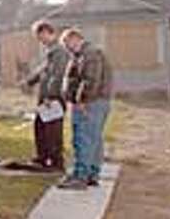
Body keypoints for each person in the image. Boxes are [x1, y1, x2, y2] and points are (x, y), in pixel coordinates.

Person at [58, 27, 112, 190]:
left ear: (75, 38)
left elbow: (90, 79)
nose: (67, 48)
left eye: (67, 43)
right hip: (96, 101)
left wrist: (81, 99)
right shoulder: (85, 54)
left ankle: (80, 177)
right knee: (93, 139)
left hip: (89, 103)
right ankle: (91, 174)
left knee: (83, 139)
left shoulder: (89, 54)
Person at [24, 21, 68, 171]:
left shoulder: (59, 52)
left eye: (41, 36)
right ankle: (42, 158)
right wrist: (29, 82)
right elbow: (43, 71)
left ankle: (57, 162)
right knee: (40, 127)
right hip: (46, 98)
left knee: (53, 131)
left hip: (53, 98)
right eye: (38, 37)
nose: (40, 40)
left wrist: (50, 95)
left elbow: (57, 75)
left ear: (49, 32)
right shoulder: (49, 51)